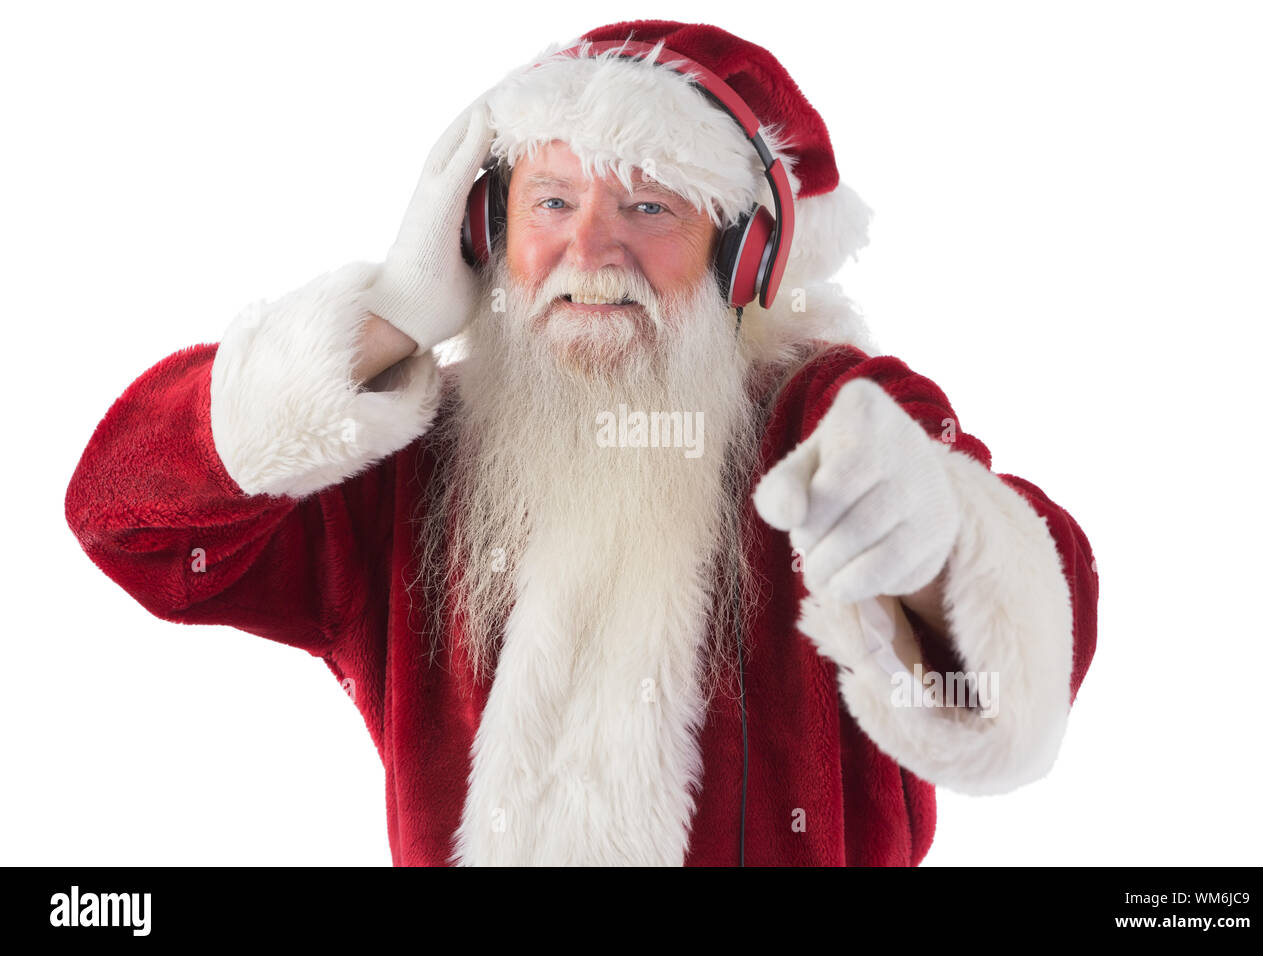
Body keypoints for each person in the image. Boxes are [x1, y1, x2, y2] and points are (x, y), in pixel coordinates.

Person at [64, 20, 1099, 866]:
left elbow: (1021, 679)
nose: (588, 250)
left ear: (744, 257)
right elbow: (127, 520)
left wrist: (941, 545)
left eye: (647, 204)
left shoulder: (829, 416)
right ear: (488, 235)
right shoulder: (413, 457)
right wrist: (382, 316)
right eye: (550, 202)